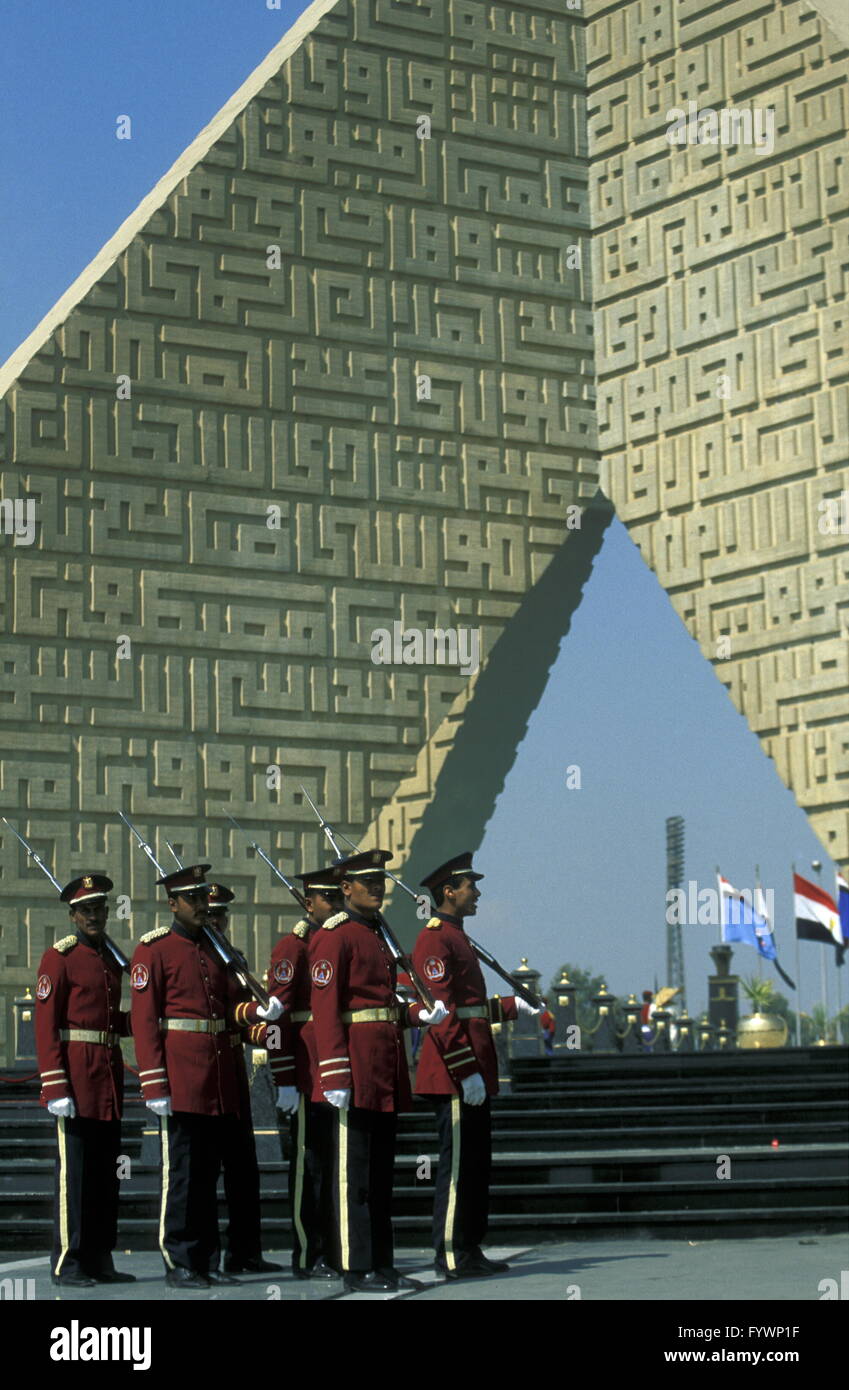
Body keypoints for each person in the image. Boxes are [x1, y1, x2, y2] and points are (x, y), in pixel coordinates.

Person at [130, 863, 283, 1288]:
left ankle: (209, 1258)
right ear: (172, 903)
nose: (201, 906)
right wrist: (153, 1083)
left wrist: (258, 1013)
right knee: (185, 1175)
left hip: (220, 1079)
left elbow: (232, 1010)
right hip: (181, 1080)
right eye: (192, 899)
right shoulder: (153, 950)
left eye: (203, 899)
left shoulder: (219, 951)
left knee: (214, 1173)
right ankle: (181, 1260)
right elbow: (145, 1022)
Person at [308, 849, 447, 1292]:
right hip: (353, 1068)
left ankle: (382, 1263)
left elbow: (384, 1006)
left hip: (384, 1068)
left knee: (380, 1177)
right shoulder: (335, 935)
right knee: (354, 1177)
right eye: (367, 881)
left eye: (381, 880)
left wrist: (415, 1017)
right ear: (345, 888)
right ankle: (355, 1265)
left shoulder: (379, 934)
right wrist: (334, 1074)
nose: (377, 887)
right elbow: (326, 1009)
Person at [412, 851, 538, 1280]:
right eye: (470, 885)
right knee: (457, 1168)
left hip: (472, 1069)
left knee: (475, 1166)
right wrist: (465, 1069)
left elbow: (471, 1009)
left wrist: (511, 1006)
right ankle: (450, 1254)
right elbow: (441, 1013)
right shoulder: (434, 938)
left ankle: (469, 1246)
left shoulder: (456, 935)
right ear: (449, 891)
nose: (478, 892)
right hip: (453, 1072)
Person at [34, 872, 135, 1286]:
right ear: (73, 915)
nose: (94, 916)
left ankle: (99, 1256)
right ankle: (69, 1262)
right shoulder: (58, 958)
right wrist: (55, 1085)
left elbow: (112, 1020)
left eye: (100, 909)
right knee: (74, 1178)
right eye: (86, 910)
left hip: (106, 1077)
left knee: (107, 1175)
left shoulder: (110, 958)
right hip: (75, 1078)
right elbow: (46, 1025)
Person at [267, 864, 342, 1280]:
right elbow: (275, 1020)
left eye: (337, 897)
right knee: (308, 1170)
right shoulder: (291, 949)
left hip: (333, 1078)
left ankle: (333, 1249)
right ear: (307, 902)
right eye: (326, 899)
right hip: (304, 1076)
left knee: (331, 1169)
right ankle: (307, 1254)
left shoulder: (335, 941)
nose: (334, 905)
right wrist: (284, 1078)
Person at [205, 881, 282, 1275]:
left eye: (222, 914)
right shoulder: (196, 957)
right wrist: (249, 1015)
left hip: (234, 1075)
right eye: (211, 913)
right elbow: (227, 1014)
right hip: (202, 1077)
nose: (217, 920)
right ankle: (206, 1258)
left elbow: (242, 1022)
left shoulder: (234, 958)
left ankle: (245, 1253)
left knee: (243, 1171)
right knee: (203, 1174)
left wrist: (264, 1027)